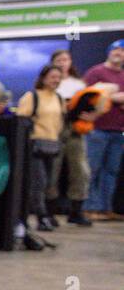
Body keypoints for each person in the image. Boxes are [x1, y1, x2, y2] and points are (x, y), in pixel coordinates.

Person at [16, 64, 67, 240]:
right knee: (38, 181)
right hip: (34, 144)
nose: (56, 80)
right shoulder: (32, 96)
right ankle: (41, 216)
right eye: (53, 76)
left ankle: (42, 214)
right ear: (43, 77)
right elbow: (21, 120)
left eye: (59, 77)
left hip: (52, 144)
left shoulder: (59, 98)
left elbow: (61, 121)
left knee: (48, 183)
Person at [47, 49, 93, 227]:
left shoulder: (79, 84)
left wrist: (89, 115)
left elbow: (91, 106)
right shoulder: (49, 84)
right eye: (58, 60)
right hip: (54, 129)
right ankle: (49, 211)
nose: (62, 63)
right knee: (52, 170)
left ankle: (76, 210)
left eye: (65, 59)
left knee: (80, 170)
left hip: (75, 129)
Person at [82, 39, 124, 221]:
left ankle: (106, 208)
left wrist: (107, 95)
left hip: (118, 130)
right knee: (92, 169)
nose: (119, 53)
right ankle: (89, 208)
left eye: (123, 51)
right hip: (96, 129)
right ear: (109, 51)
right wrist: (115, 97)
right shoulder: (95, 72)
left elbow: (104, 96)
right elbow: (87, 96)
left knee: (111, 171)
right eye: (116, 49)